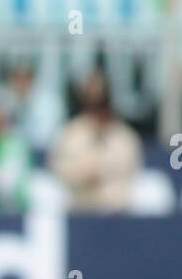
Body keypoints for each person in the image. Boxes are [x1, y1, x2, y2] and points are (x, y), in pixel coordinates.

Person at [48, 71, 142, 212]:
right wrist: (82, 174)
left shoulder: (124, 137)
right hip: (79, 209)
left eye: (101, 105)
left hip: (118, 213)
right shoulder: (71, 133)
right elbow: (58, 167)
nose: (97, 113)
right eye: (92, 105)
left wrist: (102, 172)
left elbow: (132, 169)